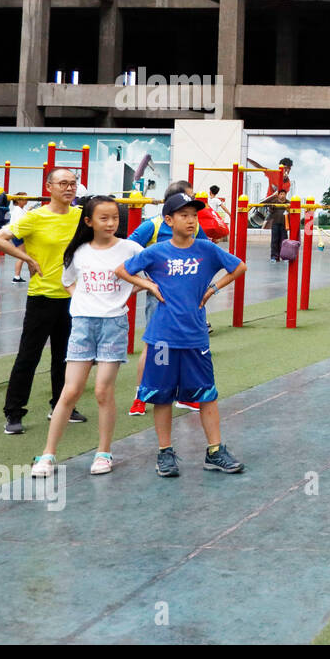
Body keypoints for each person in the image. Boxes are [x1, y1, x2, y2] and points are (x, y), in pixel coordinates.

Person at [115, 192, 247, 477]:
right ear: (168, 220)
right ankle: (165, 452)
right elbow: (122, 270)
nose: (191, 221)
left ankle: (215, 451)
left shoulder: (206, 249)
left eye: (194, 216)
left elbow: (239, 267)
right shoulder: (156, 252)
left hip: (195, 337)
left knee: (207, 394)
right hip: (162, 338)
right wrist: (148, 286)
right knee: (162, 396)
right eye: (184, 215)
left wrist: (213, 290)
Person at [30, 197, 144, 477]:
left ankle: (103, 453)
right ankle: (47, 455)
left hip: (113, 324)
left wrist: (123, 296)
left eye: (115, 218)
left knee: (103, 391)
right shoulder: (79, 251)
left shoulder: (130, 249)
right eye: (104, 218)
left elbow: (147, 276)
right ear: (88, 222)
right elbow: (68, 281)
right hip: (82, 324)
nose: (111, 223)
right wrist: (84, 300)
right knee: (70, 392)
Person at [0, 168, 87, 434]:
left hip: (73, 298)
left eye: (73, 184)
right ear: (49, 187)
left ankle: (61, 405)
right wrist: (29, 259)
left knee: (65, 357)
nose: (69, 188)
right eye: (63, 183)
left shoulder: (81, 217)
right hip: (42, 297)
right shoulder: (35, 217)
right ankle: (14, 413)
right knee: (28, 357)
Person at [126, 180, 210, 417]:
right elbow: (128, 251)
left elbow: (204, 251)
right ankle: (141, 396)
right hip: (161, 298)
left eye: (193, 212)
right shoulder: (151, 226)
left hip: (188, 299)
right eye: (186, 207)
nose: (192, 216)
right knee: (155, 347)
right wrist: (147, 280)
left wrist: (205, 286)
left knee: (186, 347)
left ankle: (186, 396)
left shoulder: (194, 227)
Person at [266, 157, 294, 262]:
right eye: (280, 194)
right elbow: (270, 210)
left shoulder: (288, 203)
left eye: (283, 194)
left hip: (284, 225)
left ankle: (284, 256)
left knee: (284, 241)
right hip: (275, 224)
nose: (282, 195)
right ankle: (274, 256)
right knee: (274, 241)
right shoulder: (274, 202)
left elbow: (292, 213)